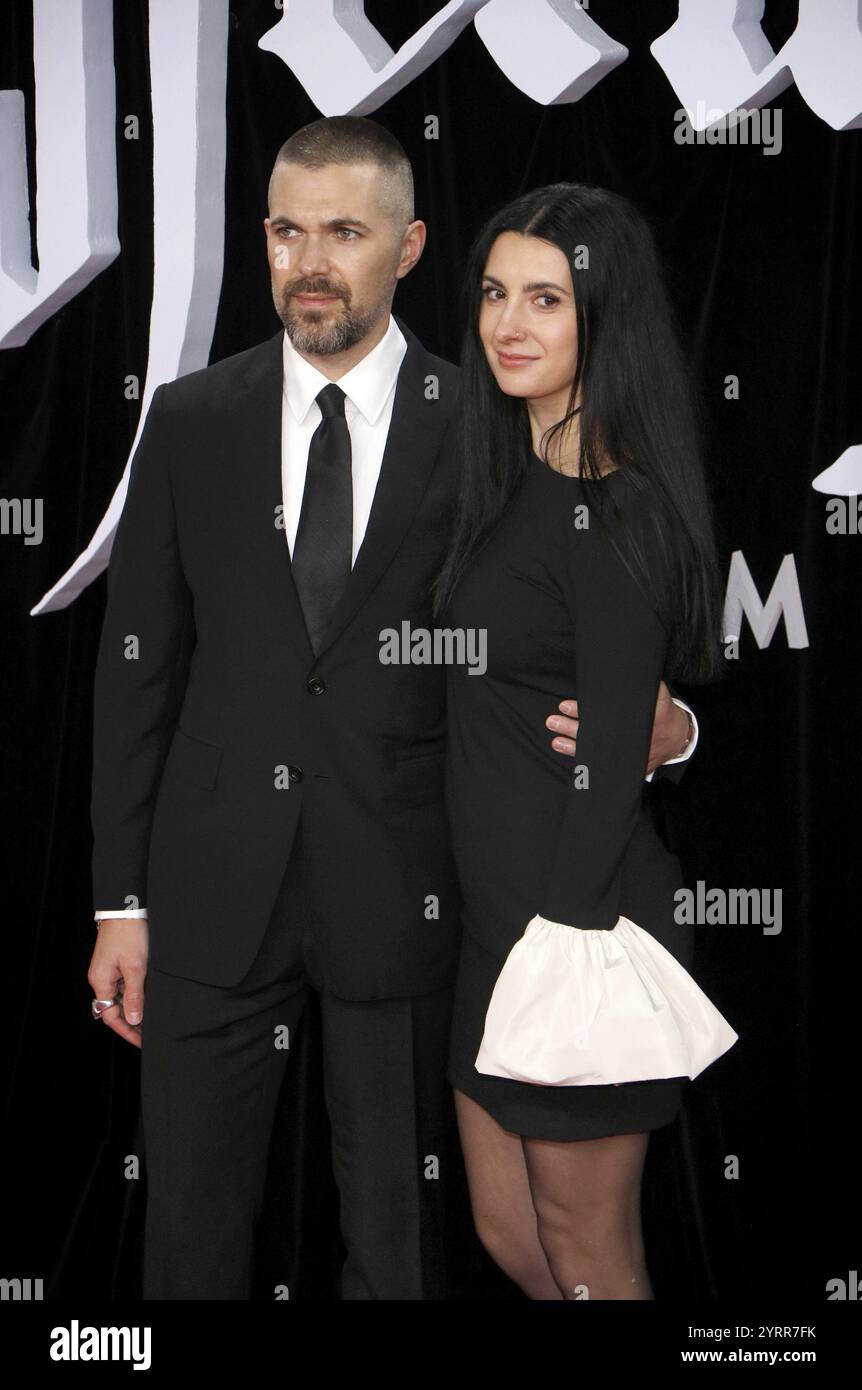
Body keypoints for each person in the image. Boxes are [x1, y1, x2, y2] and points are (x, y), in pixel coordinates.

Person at [87, 120, 698, 1300]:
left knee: (404, 1240)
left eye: (345, 232)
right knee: (190, 1239)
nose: (309, 261)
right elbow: (137, 671)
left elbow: (580, 630)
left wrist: (670, 733)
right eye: (285, 230)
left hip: (414, 888)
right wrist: (120, 899)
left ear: (408, 247)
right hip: (211, 890)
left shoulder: (487, 425)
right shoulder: (189, 419)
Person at [437, 182, 737, 1301]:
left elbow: (613, 764)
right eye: (494, 294)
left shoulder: (620, 512)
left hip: (578, 928)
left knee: (590, 1260)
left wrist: (557, 947)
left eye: (546, 301)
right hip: (493, 932)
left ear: (600, 320)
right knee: (510, 1235)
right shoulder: (503, 481)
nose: (509, 324)